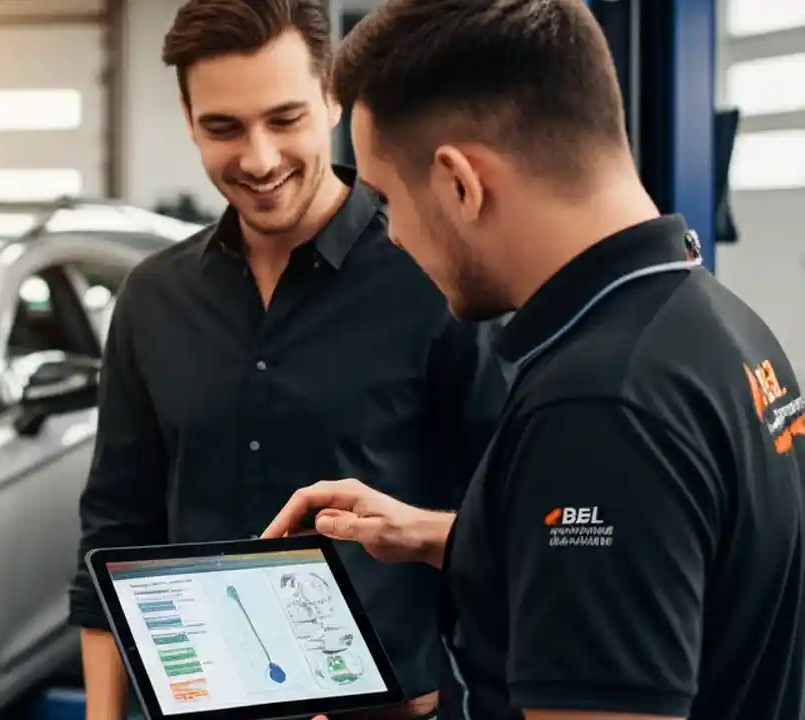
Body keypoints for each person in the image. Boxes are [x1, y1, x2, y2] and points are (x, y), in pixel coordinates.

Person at [263, 1, 805, 719]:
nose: (391, 239)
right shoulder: (716, 326)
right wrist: (439, 535)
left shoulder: (598, 408)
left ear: (460, 183)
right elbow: (662, 564)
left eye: (387, 201)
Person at [67, 1, 507, 719]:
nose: (260, 159)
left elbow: (507, 523)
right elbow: (117, 527)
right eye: (223, 128)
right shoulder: (153, 298)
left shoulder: (432, 275)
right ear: (187, 118)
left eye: (285, 119)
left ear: (333, 98)